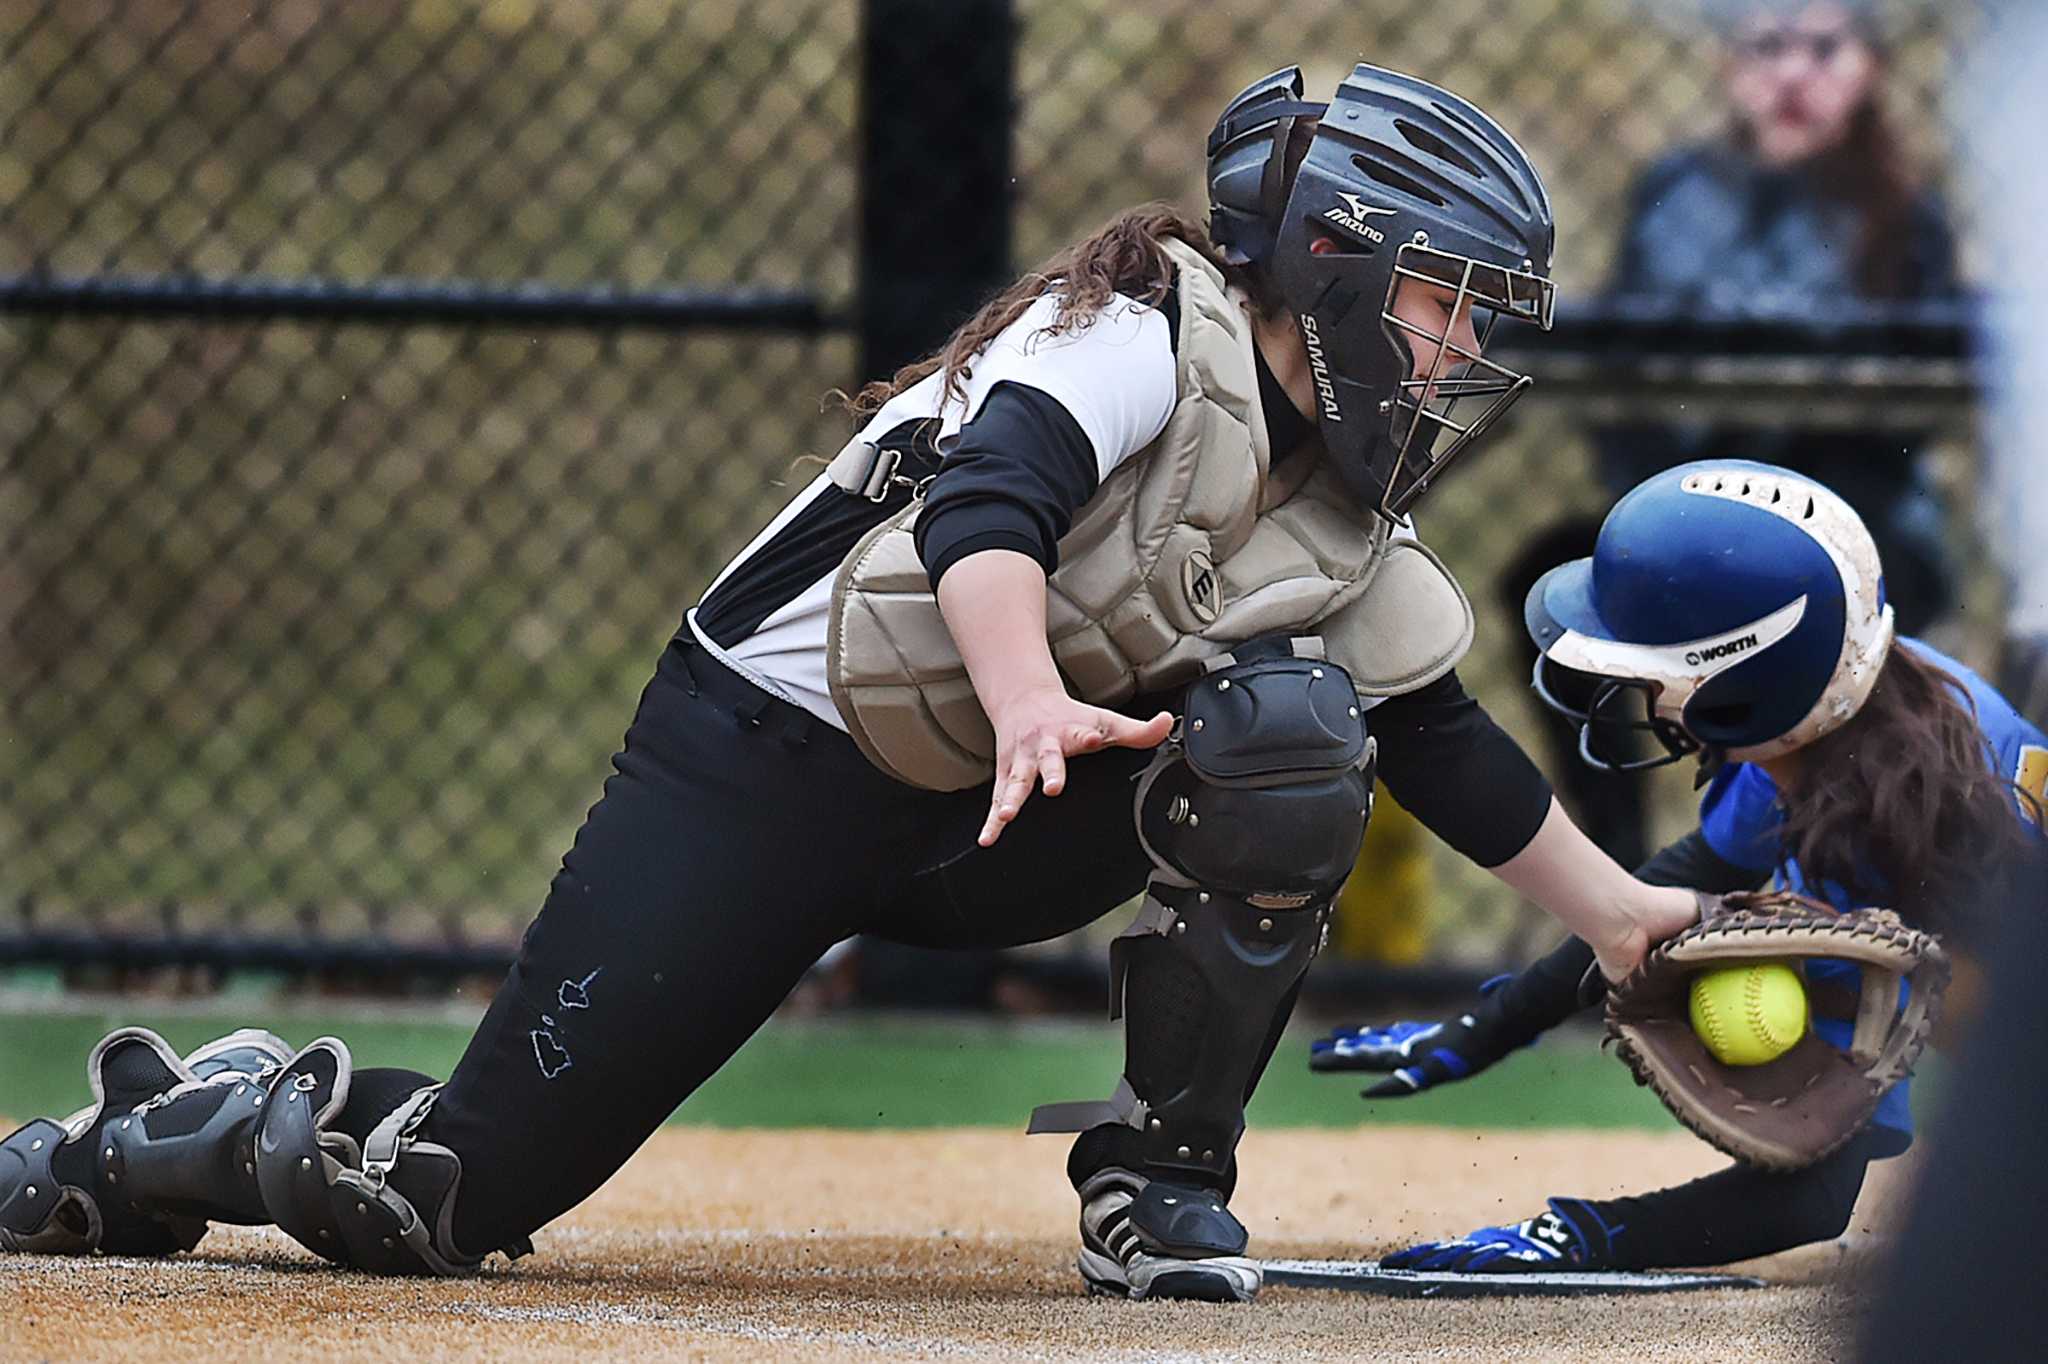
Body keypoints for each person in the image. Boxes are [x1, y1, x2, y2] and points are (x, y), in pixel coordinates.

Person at [0, 63, 1702, 1305]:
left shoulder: (1346, 501)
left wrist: (1629, 919)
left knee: (1293, 737)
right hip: (771, 748)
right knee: (442, 1198)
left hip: (996, 807)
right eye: (1438, 302)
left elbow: (1444, 746)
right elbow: (988, 506)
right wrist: (1029, 690)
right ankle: (166, 1130)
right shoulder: (1129, 329)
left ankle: (1157, 1183)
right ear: (1328, 259)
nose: (1463, 351)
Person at [1314, 459, 2046, 1274]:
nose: (1619, 688)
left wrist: (1582, 1235)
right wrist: (1495, 1024)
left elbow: (1813, 1195)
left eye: (1645, 671)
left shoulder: (1877, 840)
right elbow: (1667, 880)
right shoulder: (1861, 716)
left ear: (1745, 691)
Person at [1499, 0, 1964, 870]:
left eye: (1824, 49)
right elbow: (1623, 384)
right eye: (1769, 47)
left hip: (1851, 525)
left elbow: (1915, 407)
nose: (1794, 73)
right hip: (1686, 508)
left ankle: (1833, 869)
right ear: (1730, 67)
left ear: (1867, 68)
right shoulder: (1676, 193)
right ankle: (1619, 868)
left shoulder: (1902, 210)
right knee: (1547, 576)